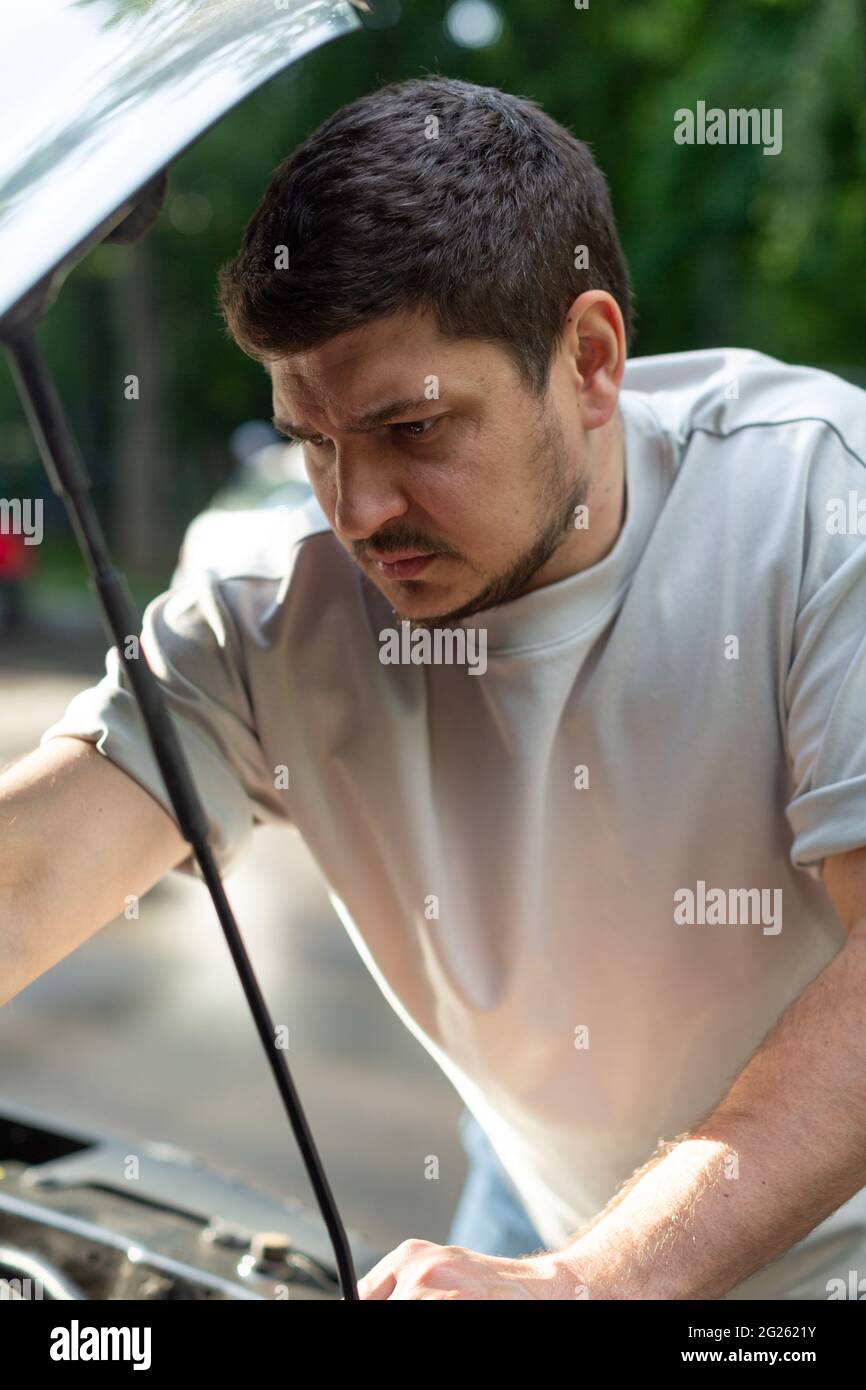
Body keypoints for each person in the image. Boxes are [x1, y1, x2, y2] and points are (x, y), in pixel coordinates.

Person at [3, 76, 866, 1301]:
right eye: (310, 441)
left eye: (412, 429)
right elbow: (27, 877)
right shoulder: (268, 604)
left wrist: (590, 1285)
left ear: (588, 360)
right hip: (538, 1199)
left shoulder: (819, 506)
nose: (355, 512)